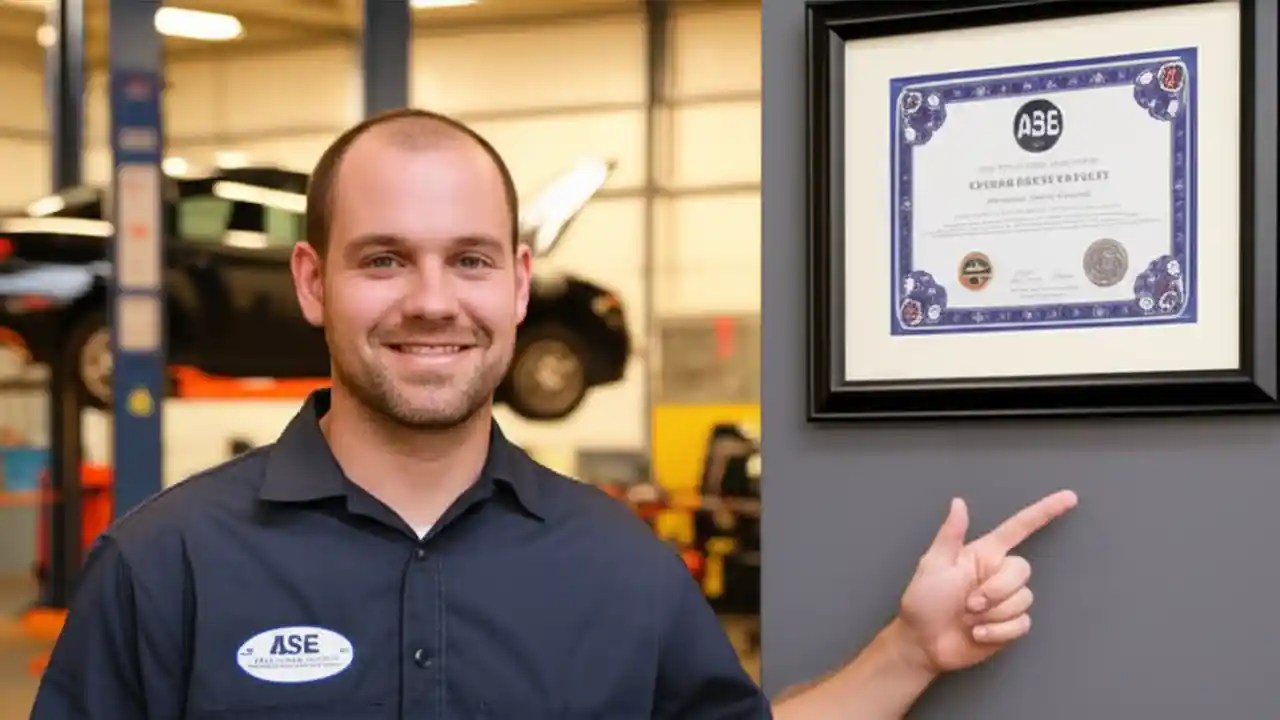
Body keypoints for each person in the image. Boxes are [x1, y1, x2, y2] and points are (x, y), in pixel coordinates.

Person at [29, 108, 1078, 719]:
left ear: (520, 286)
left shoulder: (618, 566)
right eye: (383, 259)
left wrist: (907, 650)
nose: (432, 299)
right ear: (312, 283)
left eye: (469, 260)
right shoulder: (166, 569)